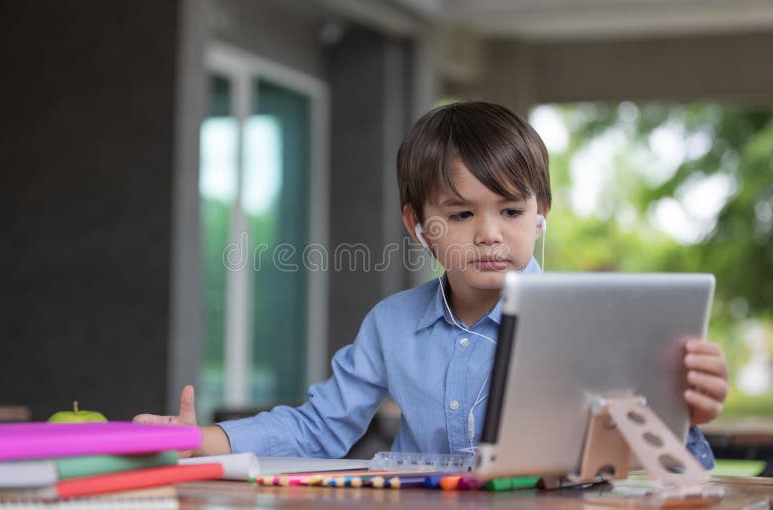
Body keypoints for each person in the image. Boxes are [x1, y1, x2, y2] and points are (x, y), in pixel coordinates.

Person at [134, 102, 728, 467]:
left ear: (542, 211)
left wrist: (685, 416)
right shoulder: (392, 324)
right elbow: (319, 428)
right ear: (418, 224)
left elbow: (645, 457)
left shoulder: (594, 322)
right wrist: (202, 438)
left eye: (512, 212)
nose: (490, 235)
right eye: (462, 214)